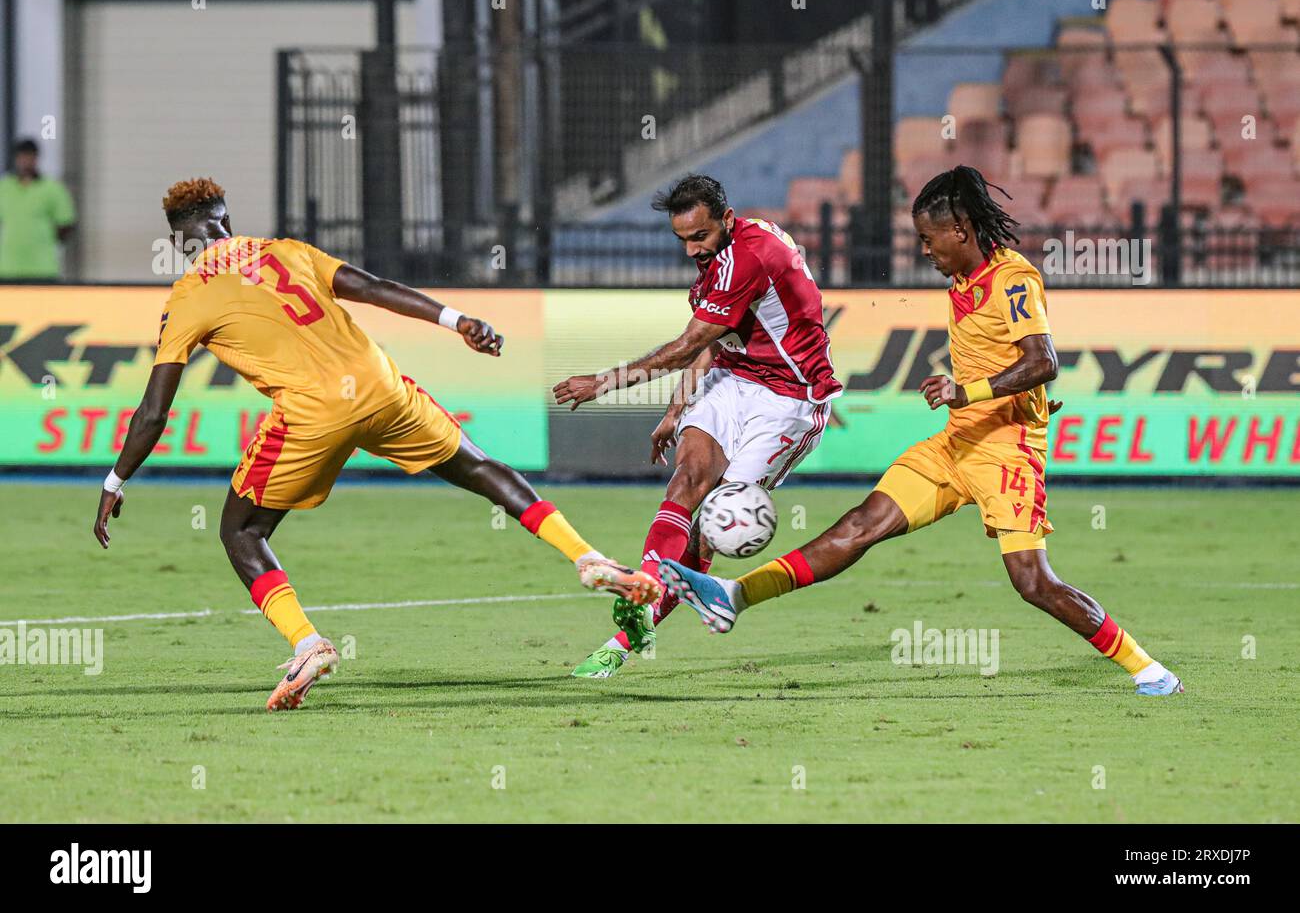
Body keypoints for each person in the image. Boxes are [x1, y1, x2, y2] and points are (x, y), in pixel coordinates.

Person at [92, 178, 657, 710]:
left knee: (241, 530)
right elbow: (373, 288)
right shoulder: (287, 250)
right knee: (480, 465)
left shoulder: (188, 297)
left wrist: (115, 480)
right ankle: (587, 557)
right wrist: (456, 319)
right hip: (379, 385)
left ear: (177, 240)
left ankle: (309, 645)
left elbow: (153, 412)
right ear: (227, 221)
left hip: (313, 412)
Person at [658, 166, 1184, 697]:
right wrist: (1005, 396)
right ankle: (733, 595)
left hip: (1006, 453)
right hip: (955, 445)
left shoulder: (1013, 280)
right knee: (860, 525)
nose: (924, 252)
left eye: (929, 240)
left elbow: (1043, 360)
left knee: (1033, 582)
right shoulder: (963, 279)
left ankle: (1149, 669)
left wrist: (969, 391)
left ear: (960, 230)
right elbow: (1015, 365)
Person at [553, 174, 841, 678]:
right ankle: (643, 591)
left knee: (710, 527)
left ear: (726, 221)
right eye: (682, 239)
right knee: (686, 480)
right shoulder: (719, 259)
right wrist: (675, 409)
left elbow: (689, 344)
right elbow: (713, 342)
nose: (691, 249)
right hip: (732, 379)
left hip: (788, 399)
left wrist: (603, 383)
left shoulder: (750, 256)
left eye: (699, 237)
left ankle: (622, 641)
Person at [0, 139, 77, 280]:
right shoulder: (4, 187)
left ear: (36, 158)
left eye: (30, 157)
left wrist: (42, 238)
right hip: (7, 268)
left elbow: (66, 223)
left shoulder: (52, 188)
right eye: (22, 157)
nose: (26, 161)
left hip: (43, 268)